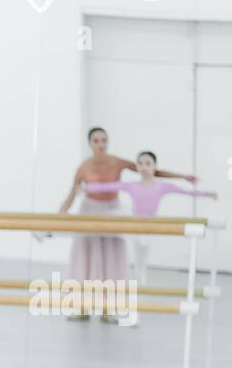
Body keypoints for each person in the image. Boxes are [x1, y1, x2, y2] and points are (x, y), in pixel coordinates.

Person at [56, 127, 195, 320]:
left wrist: (182, 177)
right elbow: (72, 193)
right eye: (96, 141)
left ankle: (109, 308)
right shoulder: (84, 167)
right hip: (89, 211)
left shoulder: (117, 162)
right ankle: (83, 306)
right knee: (87, 258)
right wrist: (59, 216)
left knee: (111, 259)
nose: (101, 144)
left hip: (112, 211)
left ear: (108, 142)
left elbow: (151, 171)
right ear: (90, 144)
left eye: (104, 140)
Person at [84, 150, 217, 285]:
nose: (144, 167)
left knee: (143, 251)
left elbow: (186, 192)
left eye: (148, 164)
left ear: (154, 166)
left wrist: (207, 194)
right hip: (135, 224)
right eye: (140, 164)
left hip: (150, 226)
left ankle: (141, 273)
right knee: (136, 251)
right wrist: (87, 188)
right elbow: (108, 187)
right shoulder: (132, 186)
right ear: (137, 167)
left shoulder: (162, 186)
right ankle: (137, 274)